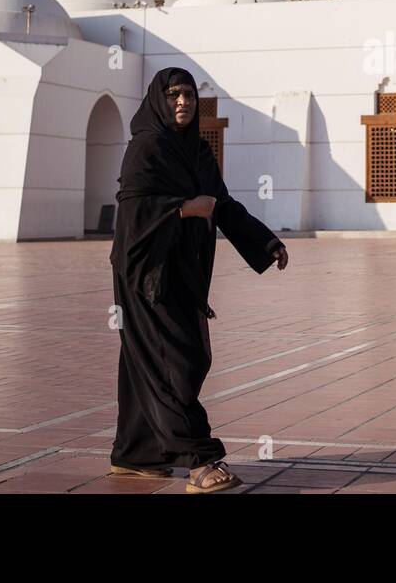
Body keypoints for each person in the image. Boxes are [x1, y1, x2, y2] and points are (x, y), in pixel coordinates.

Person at [109, 67, 289, 493]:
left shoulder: (197, 150)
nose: (182, 103)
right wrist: (181, 209)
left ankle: (136, 455)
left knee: (147, 362)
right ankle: (200, 462)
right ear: (159, 100)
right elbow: (132, 214)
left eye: (189, 95)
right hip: (146, 273)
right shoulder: (146, 147)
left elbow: (222, 205)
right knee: (175, 363)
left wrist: (265, 243)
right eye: (173, 95)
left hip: (181, 271)